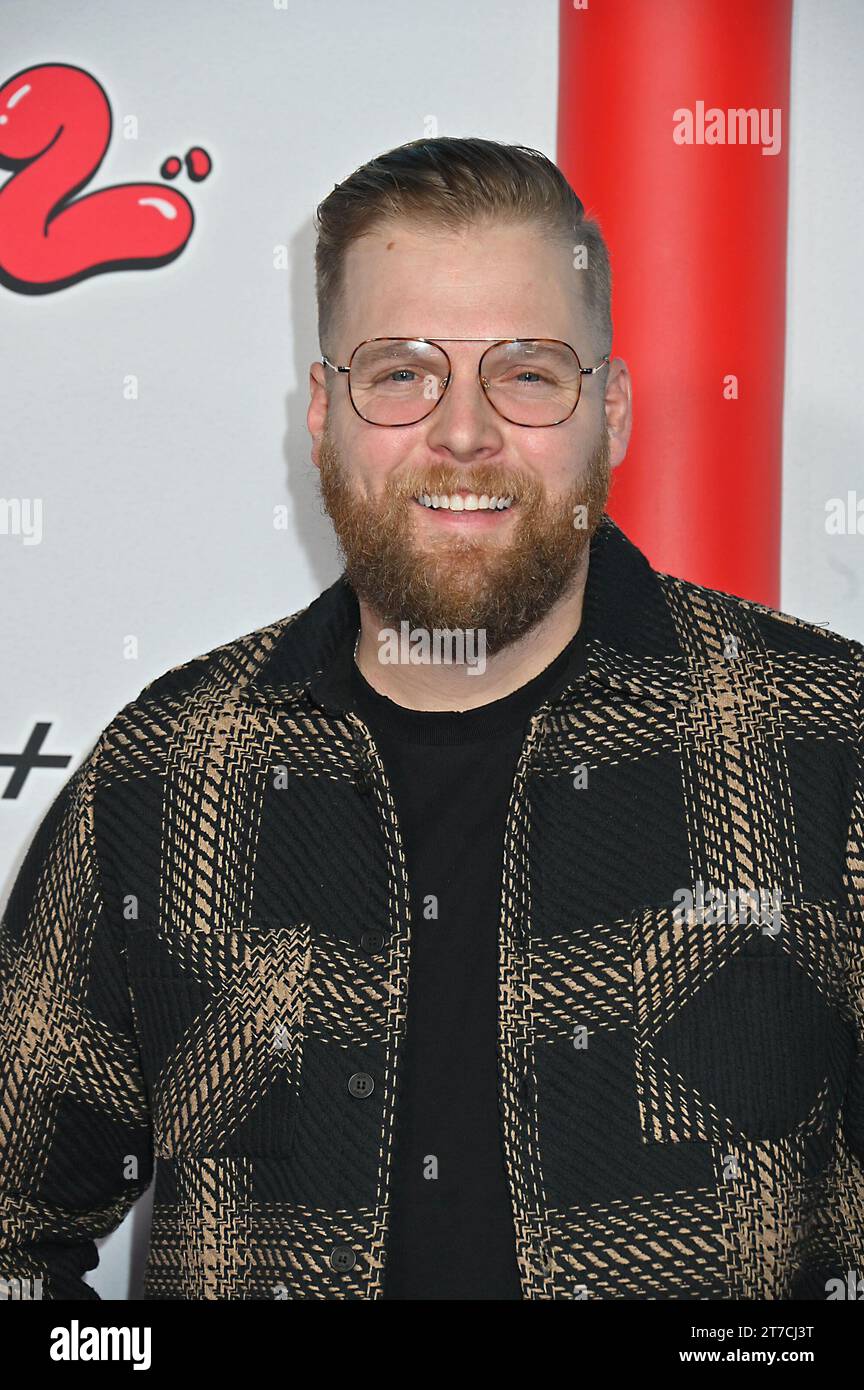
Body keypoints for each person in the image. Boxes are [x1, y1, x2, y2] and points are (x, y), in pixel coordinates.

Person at [1, 136, 862, 1301]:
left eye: (528, 370)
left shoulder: (828, 742)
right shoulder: (162, 772)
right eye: (401, 372)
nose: (463, 433)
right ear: (323, 413)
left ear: (608, 411)